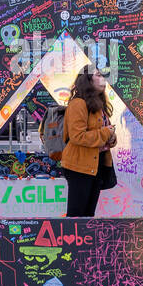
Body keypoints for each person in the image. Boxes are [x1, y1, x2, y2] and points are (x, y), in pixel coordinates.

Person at [60, 65, 117, 218]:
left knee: (88, 215)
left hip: (95, 164)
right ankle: (70, 242)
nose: (103, 78)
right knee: (77, 215)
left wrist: (111, 137)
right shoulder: (78, 103)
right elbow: (77, 136)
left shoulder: (99, 105)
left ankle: (84, 241)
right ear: (88, 80)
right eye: (98, 75)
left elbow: (102, 135)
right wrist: (106, 132)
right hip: (79, 165)